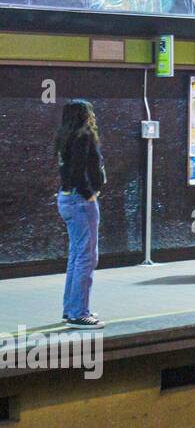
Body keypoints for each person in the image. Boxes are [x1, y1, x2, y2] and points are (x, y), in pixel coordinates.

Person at [55, 99, 106, 328]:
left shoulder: (64, 136)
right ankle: (78, 313)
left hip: (66, 198)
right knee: (86, 257)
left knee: (76, 256)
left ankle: (71, 309)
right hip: (80, 201)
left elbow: (68, 169)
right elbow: (79, 171)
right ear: (85, 115)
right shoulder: (84, 136)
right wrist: (89, 194)